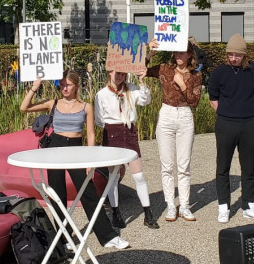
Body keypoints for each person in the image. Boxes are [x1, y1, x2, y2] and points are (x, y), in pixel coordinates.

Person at [20, 72, 127, 249]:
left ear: (76, 86)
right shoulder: (53, 103)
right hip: (55, 147)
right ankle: (64, 237)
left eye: (68, 85)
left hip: (76, 148)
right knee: (57, 194)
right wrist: (34, 87)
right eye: (62, 85)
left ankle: (108, 236)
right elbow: (24, 108)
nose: (64, 88)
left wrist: (91, 162)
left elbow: (91, 135)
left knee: (88, 192)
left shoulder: (86, 106)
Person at [208, 34, 254, 223]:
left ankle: (248, 204)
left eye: (237, 55)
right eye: (231, 54)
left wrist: (250, 112)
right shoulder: (219, 72)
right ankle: (223, 205)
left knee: (248, 166)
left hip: (248, 123)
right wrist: (226, 112)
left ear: (244, 55)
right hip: (226, 123)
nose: (234, 58)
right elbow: (213, 97)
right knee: (223, 165)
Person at [147, 39, 203, 221]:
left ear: (189, 55)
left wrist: (183, 84)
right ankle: (170, 204)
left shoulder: (195, 75)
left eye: (183, 52)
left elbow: (195, 102)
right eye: (176, 52)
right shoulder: (165, 69)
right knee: (167, 165)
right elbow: (141, 69)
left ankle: (185, 206)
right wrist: (150, 53)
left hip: (185, 116)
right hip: (167, 114)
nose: (179, 56)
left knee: (184, 165)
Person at [94, 69, 158, 228]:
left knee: (139, 176)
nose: (119, 75)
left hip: (129, 132)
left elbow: (145, 100)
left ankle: (147, 212)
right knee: (113, 177)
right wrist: (113, 127)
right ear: (109, 72)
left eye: (123, 72)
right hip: (112, 132)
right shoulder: (101, 94)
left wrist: (142, 82)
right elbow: (99, 119)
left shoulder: (131, 88)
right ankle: (115, 212)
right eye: (117, 72)